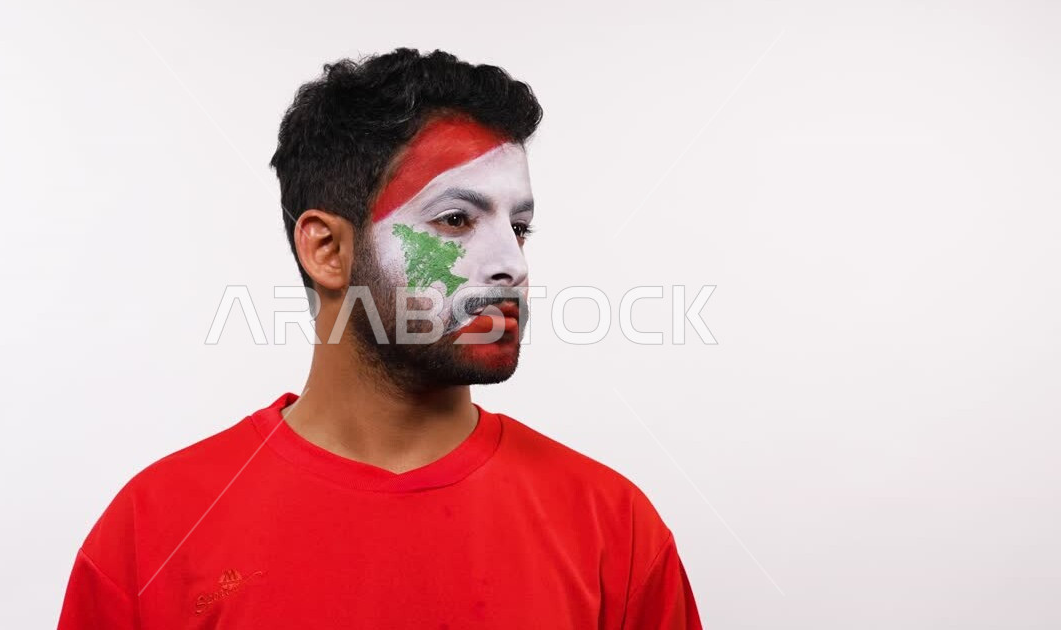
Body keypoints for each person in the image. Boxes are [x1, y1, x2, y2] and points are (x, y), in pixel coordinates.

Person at [58, 47, 701, 629]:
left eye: (521, 226)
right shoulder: (156, 528)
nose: (513, 262)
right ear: (327, 249)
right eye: (456, 219)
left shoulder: (612, 526)